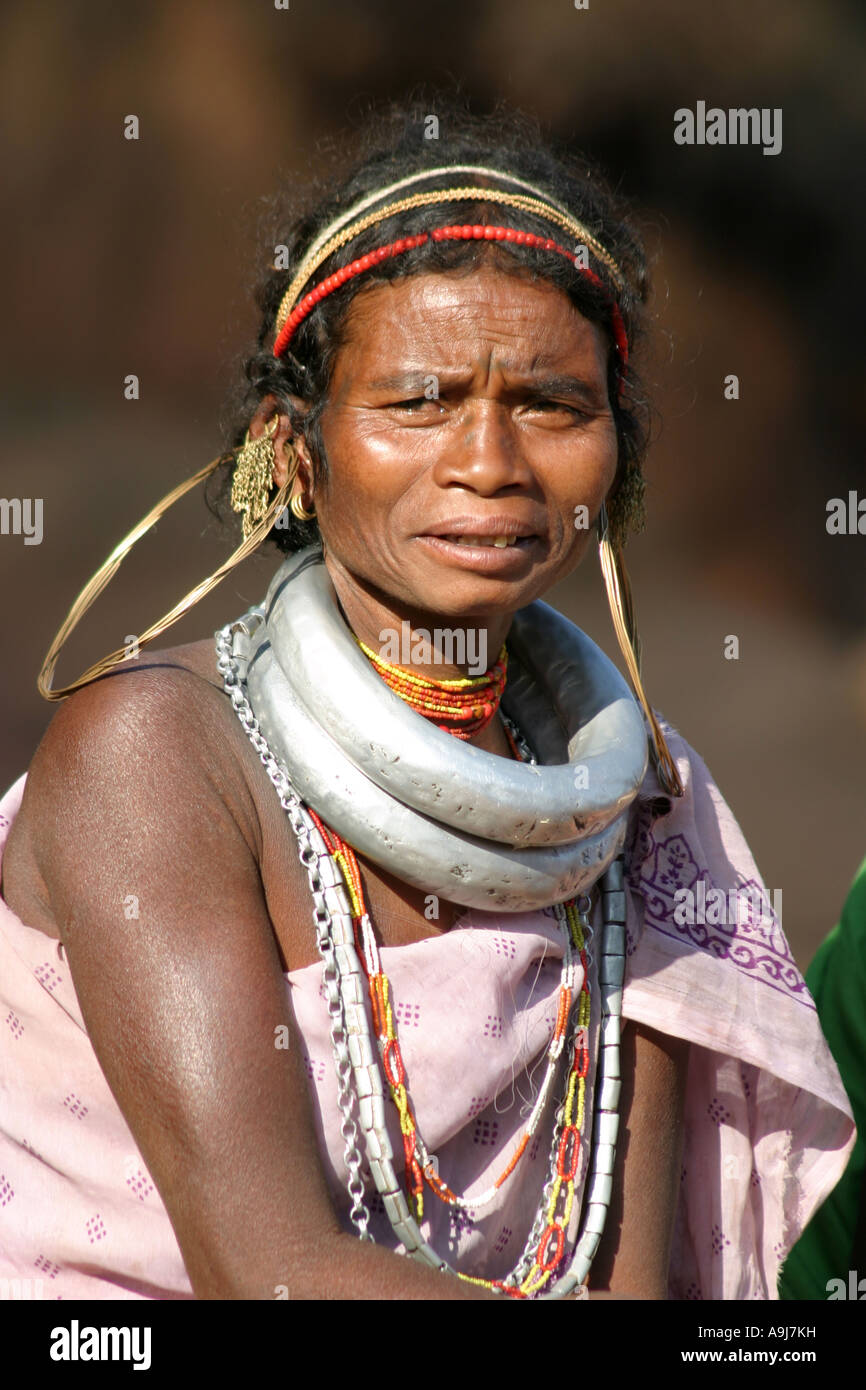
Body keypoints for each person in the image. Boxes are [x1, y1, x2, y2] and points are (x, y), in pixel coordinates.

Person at [0, 105, 854, 1301]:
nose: (491, 463)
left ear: (620, 462)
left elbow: (632, 1286)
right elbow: (271, 1274)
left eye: (552, 405)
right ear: (291, 452)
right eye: (417, 402)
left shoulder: (631, 802)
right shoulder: (156, 751)